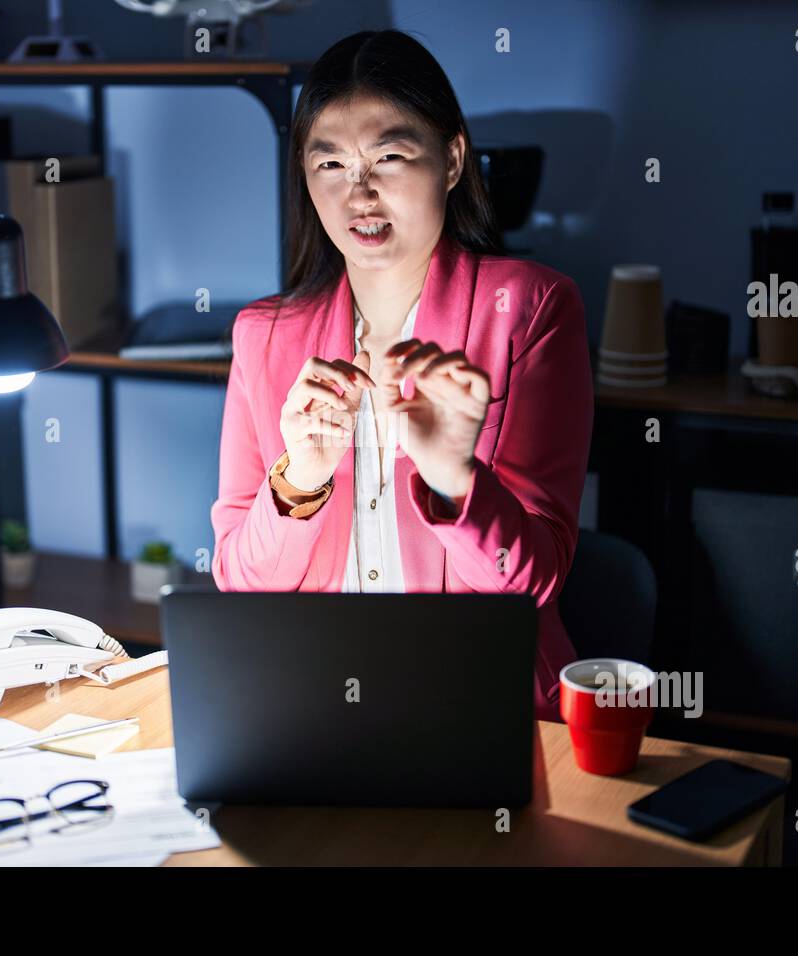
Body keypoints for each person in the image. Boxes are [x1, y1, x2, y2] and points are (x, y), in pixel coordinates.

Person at [210, 30, 593, 721]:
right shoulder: (263, 337)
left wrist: (454, 479)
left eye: (388, 155)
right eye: (330, 163)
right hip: (318, 706)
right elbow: (239, 581)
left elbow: (533, 581)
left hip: (478, 707)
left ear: (450, 160)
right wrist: (301, 479)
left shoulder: (530, 311)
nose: (359, 192)